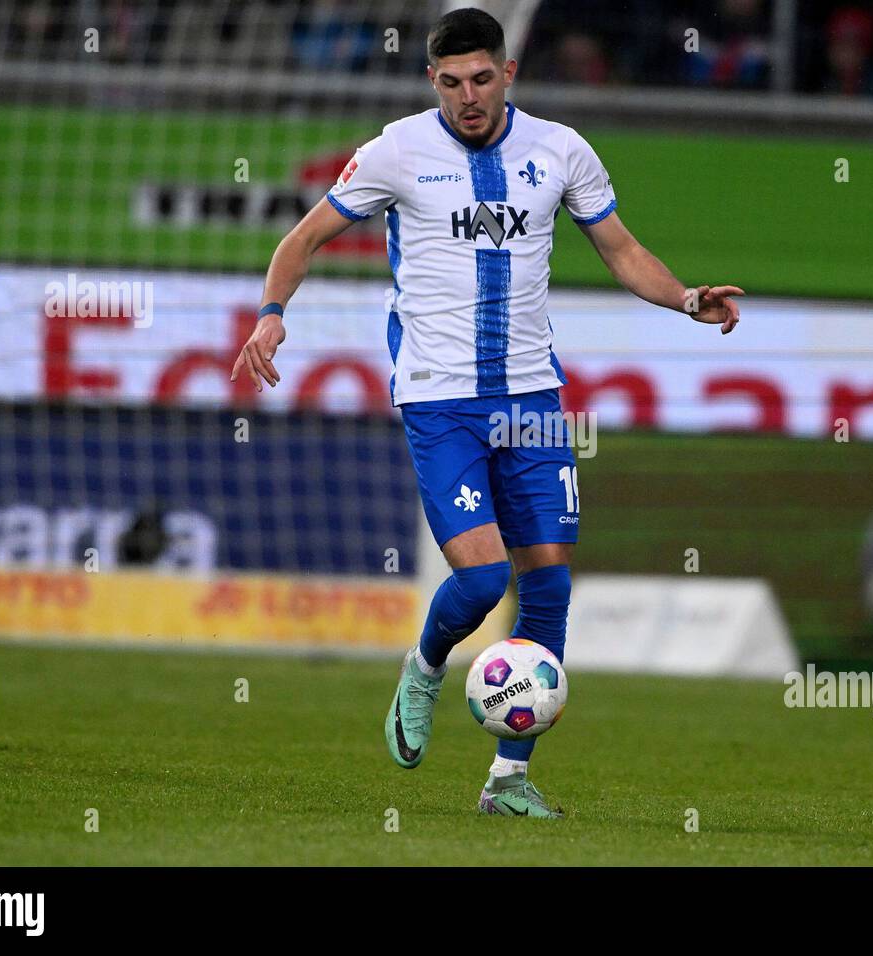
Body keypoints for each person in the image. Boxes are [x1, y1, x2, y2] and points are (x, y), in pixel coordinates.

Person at [230, 7, 743, 818]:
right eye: (450, 81)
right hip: (440, 399)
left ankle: (508, 781)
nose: (467, 96)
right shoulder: (396, 151)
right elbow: (302, 239)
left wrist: (686, 298)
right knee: (481, 577)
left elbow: (620, 249)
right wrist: (270, 312)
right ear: (430, 81)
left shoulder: (561, 150)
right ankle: (427, 668)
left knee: (549, 589)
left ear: (509, 74)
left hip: (534, 397)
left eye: (481, 78)